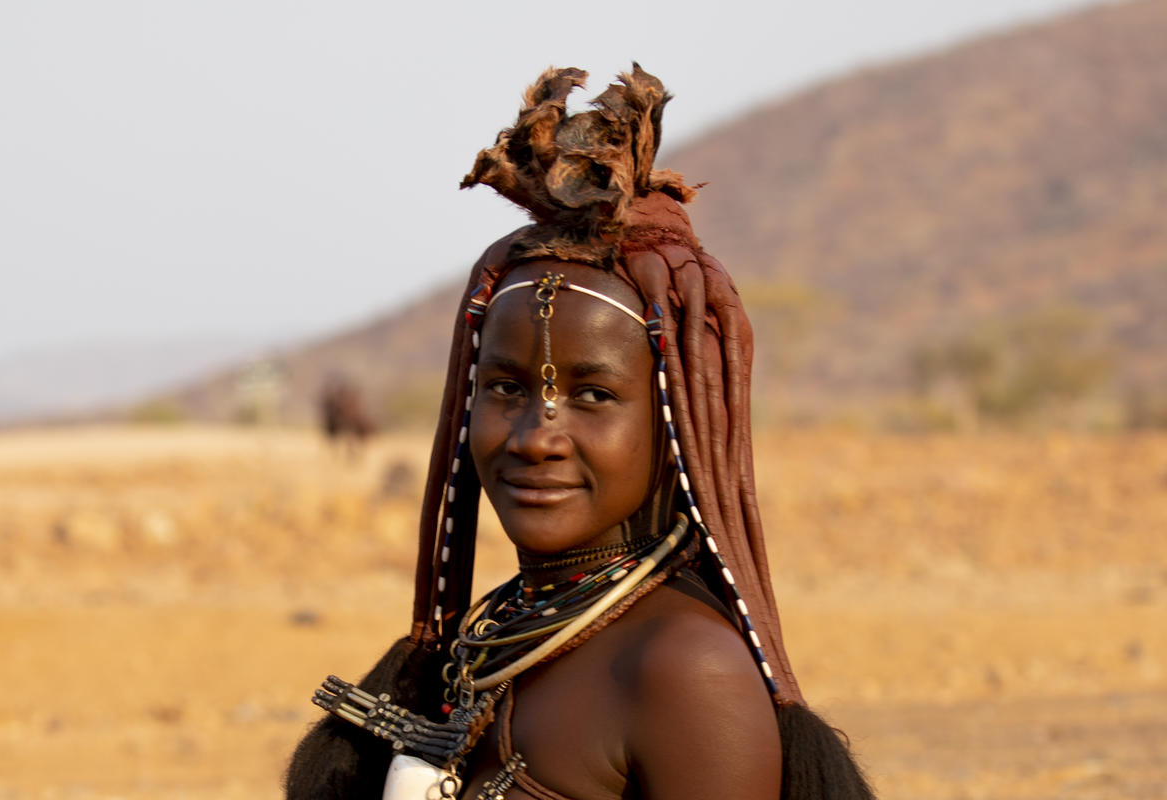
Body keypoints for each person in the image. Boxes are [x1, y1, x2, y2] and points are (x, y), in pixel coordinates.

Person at [286, 65, 874, 800]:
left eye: (593, 394)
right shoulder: (490, 638)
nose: (536, 437)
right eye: (505, 388)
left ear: (672, 424)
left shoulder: (682, 671)